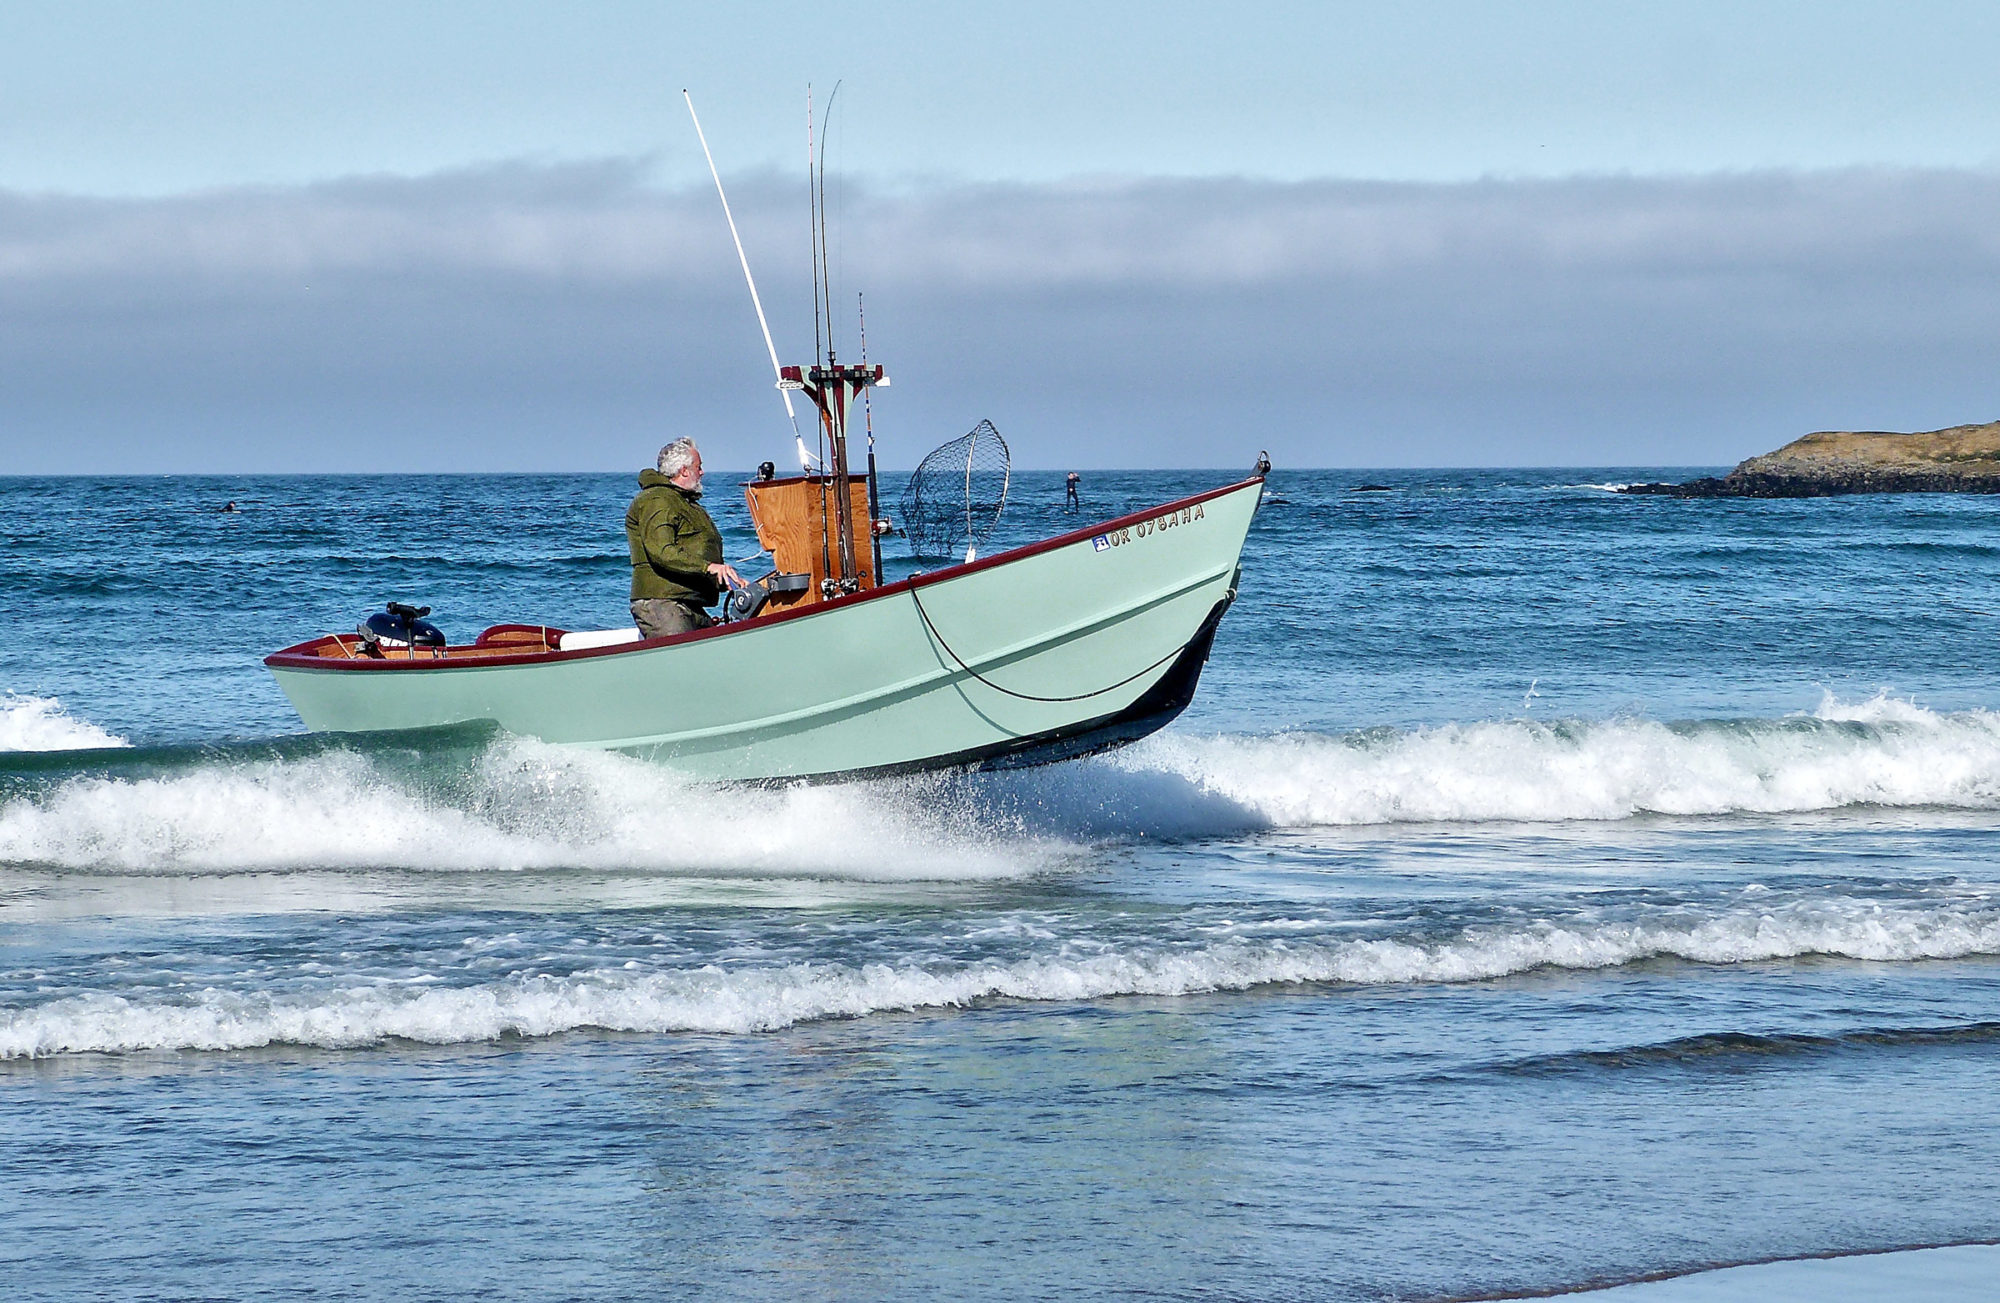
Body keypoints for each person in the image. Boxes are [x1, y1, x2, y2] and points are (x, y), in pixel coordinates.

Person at [626, 438, 743, 638]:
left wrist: (729, 582)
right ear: (684, 471)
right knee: (681, 654)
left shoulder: (687, 503)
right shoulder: (657, 500)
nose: (702, 472)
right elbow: (662, 551)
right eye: (699, 466)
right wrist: (709, 567)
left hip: (689, 603)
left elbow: (695, 553)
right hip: (663, 603)